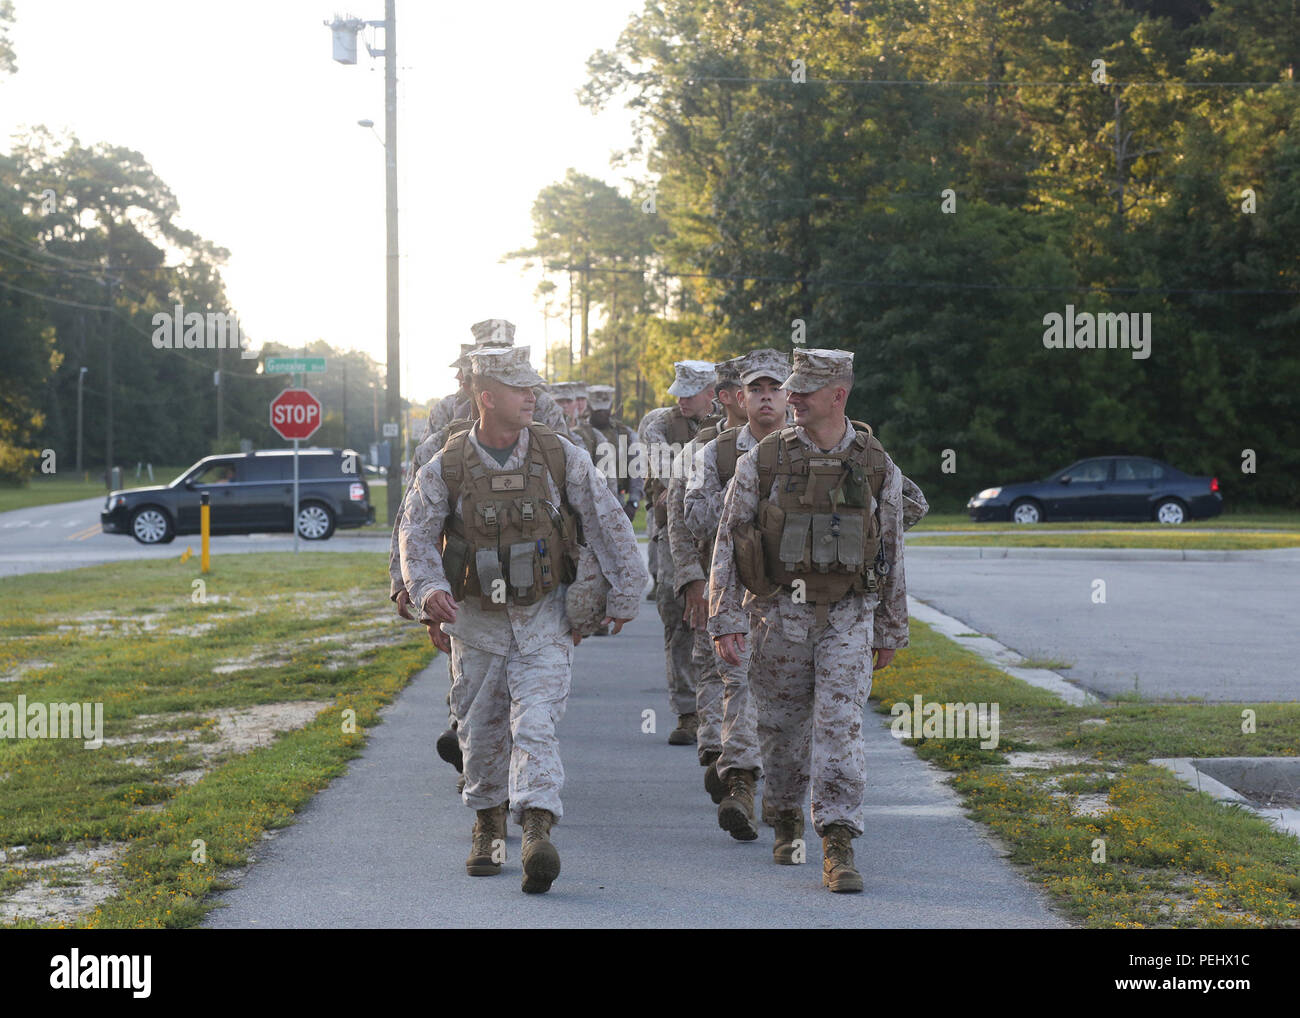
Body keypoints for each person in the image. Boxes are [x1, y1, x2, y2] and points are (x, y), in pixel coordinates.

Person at [399, 345, 649, 894]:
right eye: (520, 389)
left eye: (534, 387)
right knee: (481, 731)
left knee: (536, 723)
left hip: (544, 616)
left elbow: (608, 524)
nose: (533, 395)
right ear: (486, 396)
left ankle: (537, 827)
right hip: (477, 623)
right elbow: (415, 533)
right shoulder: (447, 462)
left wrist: (626, 594)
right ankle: (488, 824)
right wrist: (428, 591)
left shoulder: (561, 455)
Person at [708, 348, 909, 894]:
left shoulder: (873, 463)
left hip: (848, 613)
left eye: (803, 390)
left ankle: (838, 838)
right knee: (782, 728)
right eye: (789, 389)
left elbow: (891, 547)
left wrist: (890, 627)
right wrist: (725, 618)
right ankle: (785, 815)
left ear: (837, 395)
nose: (791, 398)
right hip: (777, 616)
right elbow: (729, 542)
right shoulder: (764, 461)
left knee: (839, 724)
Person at [683, 349, 789, 838]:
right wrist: (745, 492)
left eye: (775, 389)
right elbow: (695, 519)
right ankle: (741, 786)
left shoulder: (820, 448)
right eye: (756, 391)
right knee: (740, 686)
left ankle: (787, 798)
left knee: (792, 701)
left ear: (789, 396)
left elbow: (904, 506)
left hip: (801, 599)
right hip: (740, 591)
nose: (766, 399)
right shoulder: (718, 454)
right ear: (739, 397)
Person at [665, 356, 746, 805]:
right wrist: (692, 581)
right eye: (742, 389)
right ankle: (720, 754)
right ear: (727, 397)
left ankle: (745, 770)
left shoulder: (793, 443)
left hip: (772, 589)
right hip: (714, 581)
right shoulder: (700, 450)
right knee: (713, 667)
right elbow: (678, 522)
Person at [638, 360, 717, 745]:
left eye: (691, 392)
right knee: (678, 616)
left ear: (711, 393)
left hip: (717, 532)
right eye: (679, 392)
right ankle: (687, 712)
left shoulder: (730, 422)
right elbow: (673, 478)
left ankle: (719, 710)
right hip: (672, 533)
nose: (682, 399)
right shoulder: (659, 425)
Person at [578, 384, 644, 522]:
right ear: (589, 407)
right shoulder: (578, 433)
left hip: (616, 499)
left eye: (604, 408)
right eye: (597, 409)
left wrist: (633, 502)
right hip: (584, 500)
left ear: (611, 406)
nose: (601, 413)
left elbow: (637, 469)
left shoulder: (624, 433)